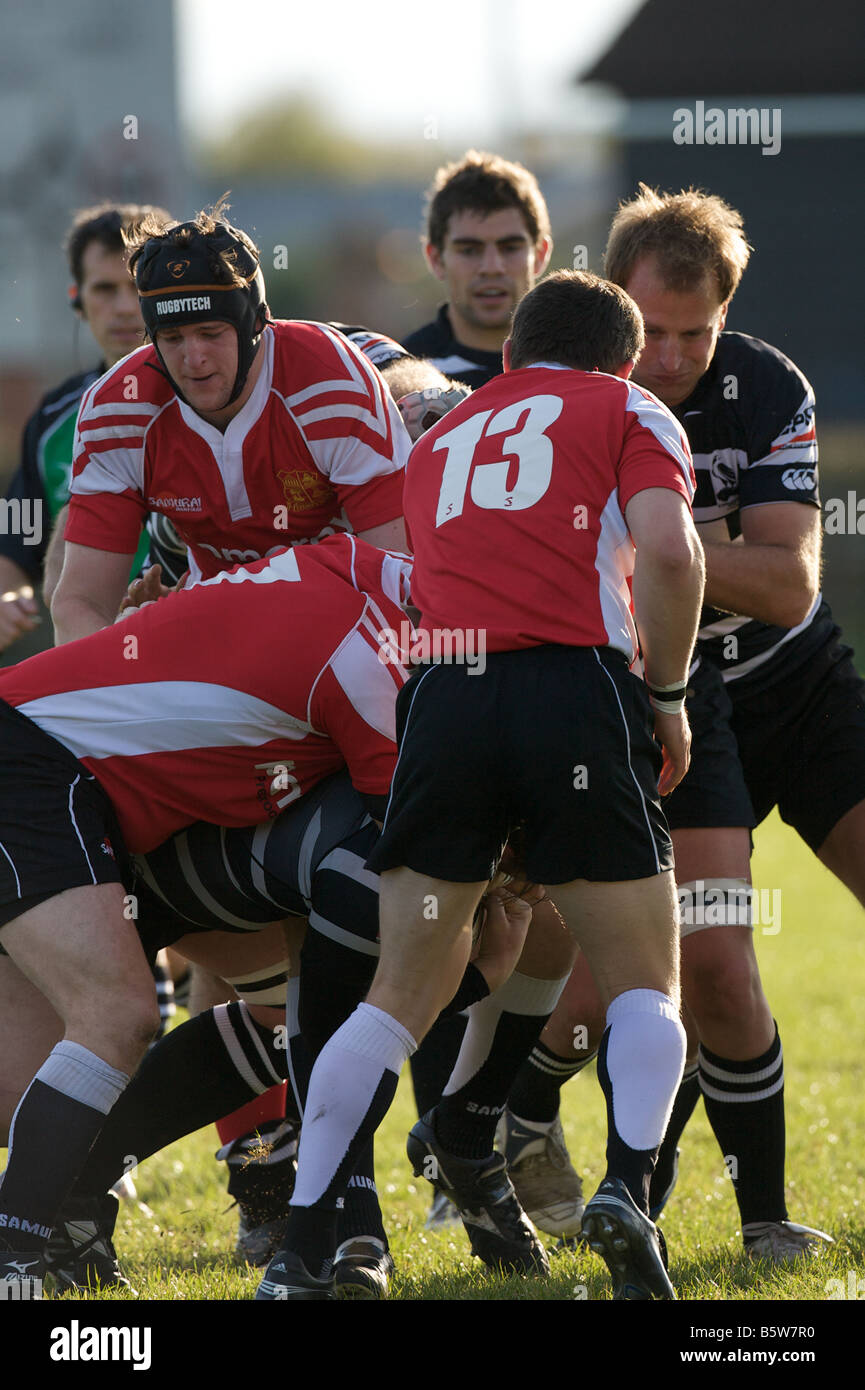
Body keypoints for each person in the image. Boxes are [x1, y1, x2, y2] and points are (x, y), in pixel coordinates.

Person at [254, 269, 705, 1302]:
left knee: (395, 998)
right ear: (625, 362)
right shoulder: (628, 408)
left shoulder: (443, 437)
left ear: (509, 357)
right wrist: (668, 697)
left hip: (443, 700)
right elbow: (673, 554)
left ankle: (302, 1245)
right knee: (645, 982)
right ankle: (627, 1190)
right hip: (572, 689)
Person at [502, 185, 849, 1264]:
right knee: (707, 965)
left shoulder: (765, 383)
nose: (672, 358)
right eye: (651, 331)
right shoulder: (572, 404)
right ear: (612, 305)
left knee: (654, 966)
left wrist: (667, 548)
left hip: (796, 686)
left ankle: (520, 1112)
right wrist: (701, 548)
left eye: (697, 332)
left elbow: (789, 586)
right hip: (674, 696)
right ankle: (754, 1220)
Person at [0, 532, 413, 1295]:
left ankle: (64, 1211)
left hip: (122, 816)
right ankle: (15, 1260)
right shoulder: (373, 643)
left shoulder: (363, 575)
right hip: (37, 768)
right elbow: (416, 847)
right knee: (114, 1016)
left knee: (281, 1014)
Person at [50, 201, 412, 643]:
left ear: (257, 323)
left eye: (210, 333)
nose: (194, 358)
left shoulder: (331, 382)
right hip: (219, 628)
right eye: (172, 337)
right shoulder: (116, 410)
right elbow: (78, 604)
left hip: (344, 622)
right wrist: (121, 656)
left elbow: (399, 581)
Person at [0, 202, 171, 656]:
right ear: (77, 299)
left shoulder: (216, 401)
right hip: (95, 664)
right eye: (105, 289)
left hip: (202, 648)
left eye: (139, 287)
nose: (125, 308)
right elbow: (17, 542)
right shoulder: (51, 420)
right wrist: (6, 598)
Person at [402, 150, 553, 388]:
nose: (492, 268)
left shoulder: (587, 363)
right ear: (436, 259)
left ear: (540, 255)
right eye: (469, 250)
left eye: (510, 248)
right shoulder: (399, 377)